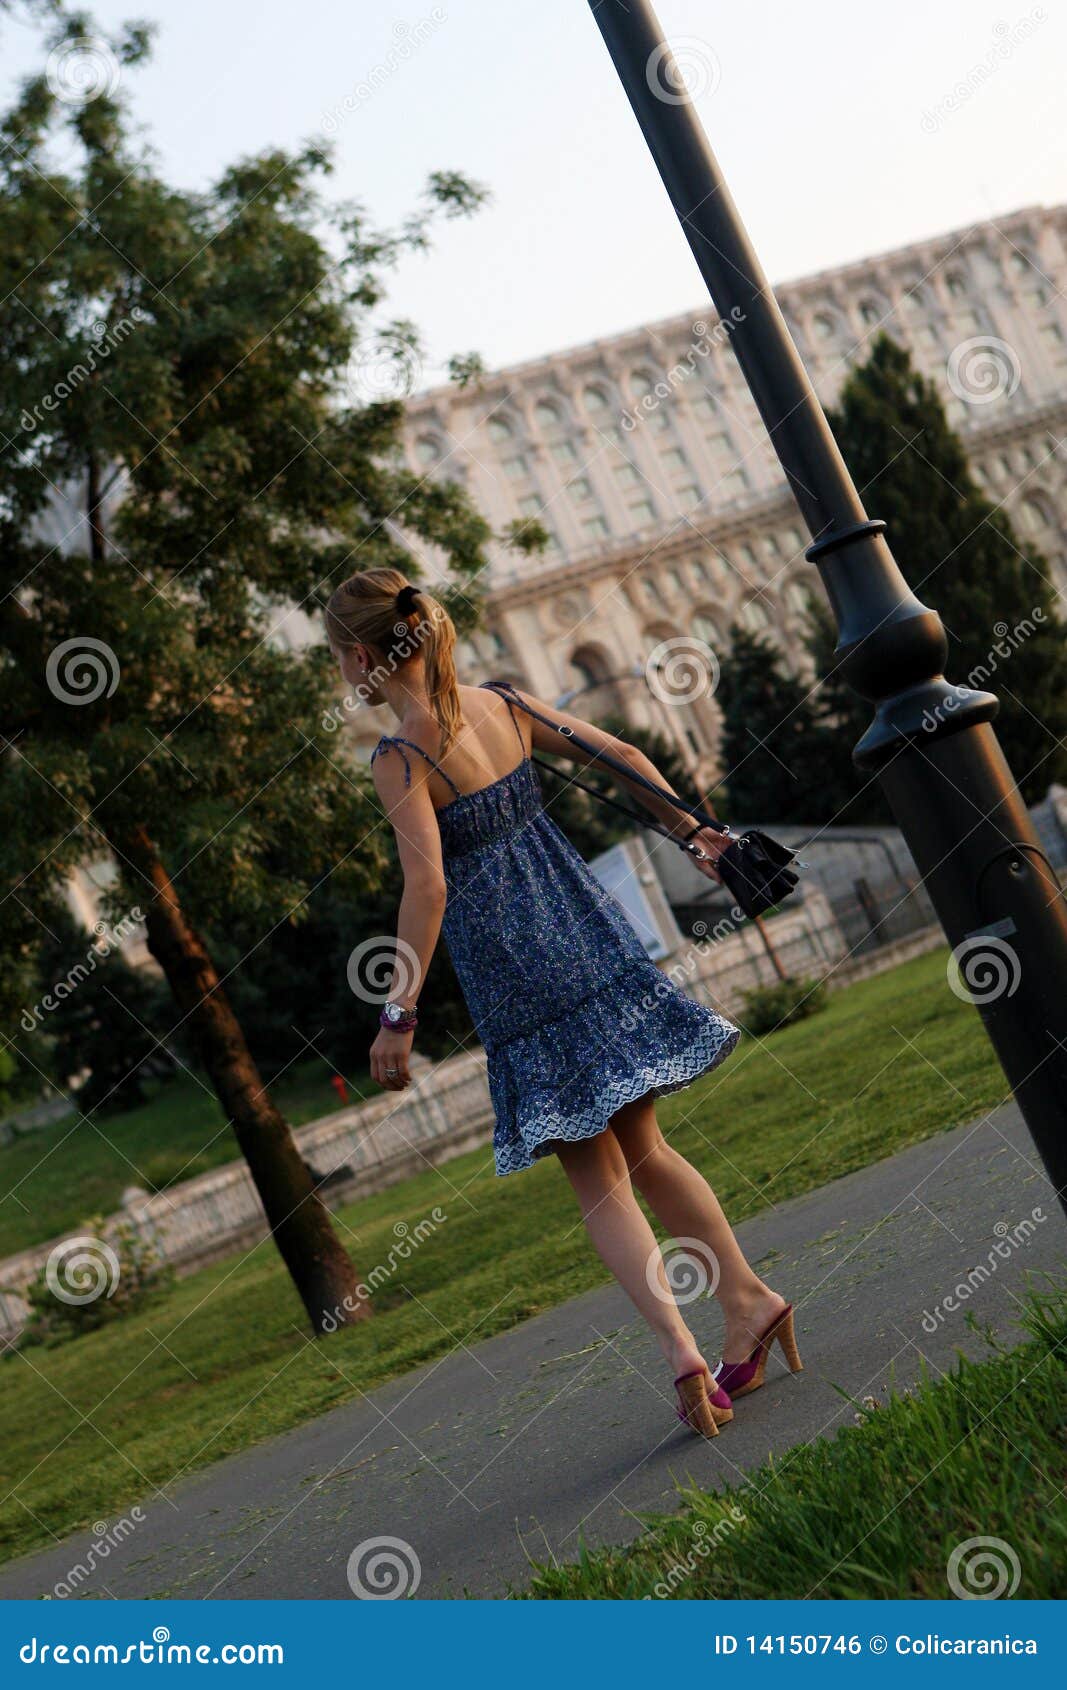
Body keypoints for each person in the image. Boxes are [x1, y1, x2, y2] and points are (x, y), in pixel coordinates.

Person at [326, 568, 801, 1438]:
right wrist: (694, 830)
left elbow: (426, 886)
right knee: (648, 1150)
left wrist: (397, 1014)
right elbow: (619, 755)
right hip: (589, 934)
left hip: (516, 972)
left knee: (598, 1182)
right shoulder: (502, 704)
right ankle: (747, 1298)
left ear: (361, 657)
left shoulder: (399, 757)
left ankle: (683, 1354)